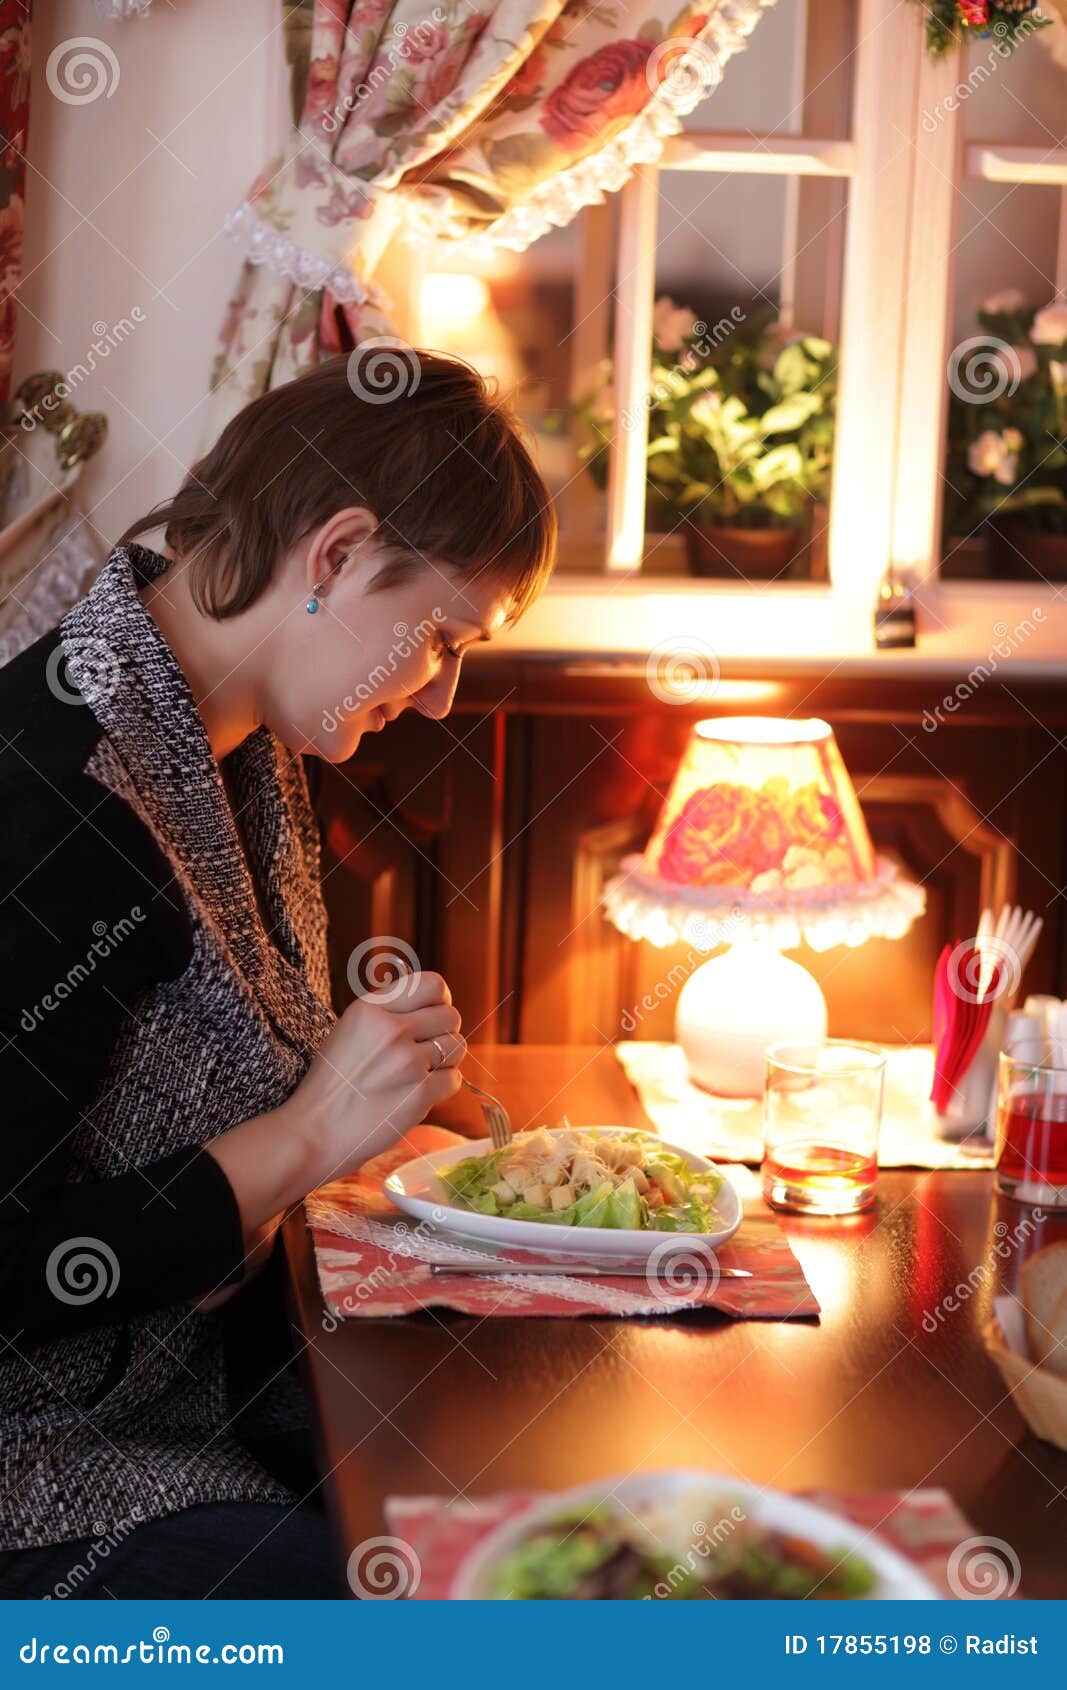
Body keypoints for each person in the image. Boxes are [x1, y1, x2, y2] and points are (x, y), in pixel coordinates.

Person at [0, 349, 556, 1597]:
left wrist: (424, 1113)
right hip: (38, 1473)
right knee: (453, 1600)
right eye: (440, 639)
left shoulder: (232, 744)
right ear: (339, 553)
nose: (438, 699)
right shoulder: (55, 801)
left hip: (184, 1394)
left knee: (550, 1513)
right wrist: (312, 1132)